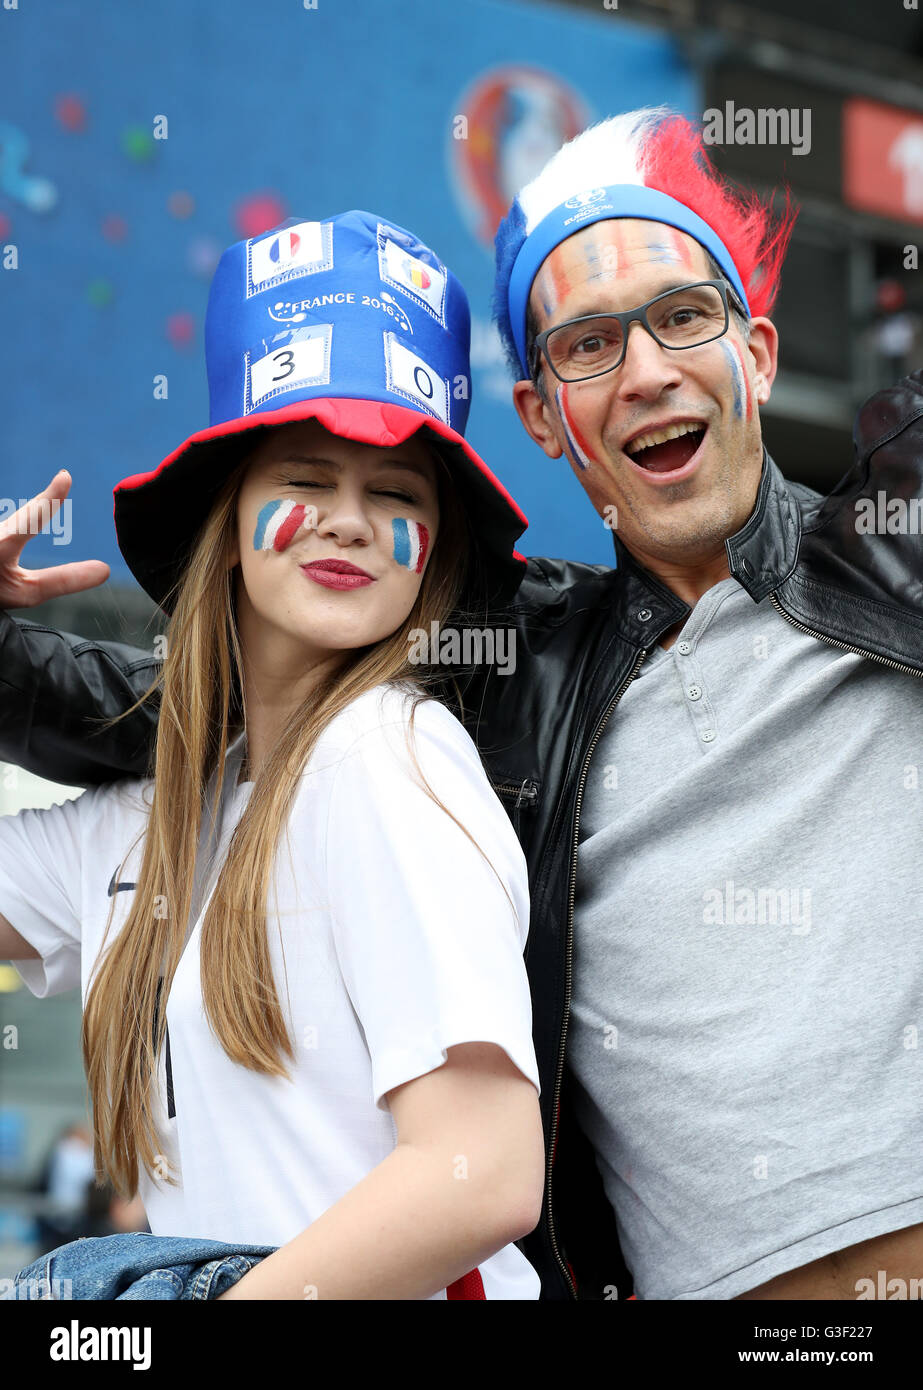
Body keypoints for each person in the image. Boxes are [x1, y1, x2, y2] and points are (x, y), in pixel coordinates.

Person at [1, 110, 922, 1301]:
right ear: (541, 416)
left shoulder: (892, 559)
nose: (644, 369)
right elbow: (220, 709)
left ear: (752, 352)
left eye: (682, 317)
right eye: (587, 343)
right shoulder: (515, 666)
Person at [0, 209, 546, 1300]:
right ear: (227, 515)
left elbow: (482, 1172)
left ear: (432, 552)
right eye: (304, 477)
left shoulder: (393, 760)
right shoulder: (147, 816)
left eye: (393, 493)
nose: (347, 519)